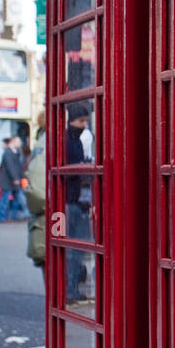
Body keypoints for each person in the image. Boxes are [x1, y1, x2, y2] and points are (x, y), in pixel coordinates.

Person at [24, 112, 47, 348]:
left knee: (56, 301)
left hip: (52, 226)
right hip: (82, 227)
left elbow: (39, 192)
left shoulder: (45, 143)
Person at [65, 103, 93, 305]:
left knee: (79, 250)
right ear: (71, 120)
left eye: (86, 121)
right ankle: (67, 289)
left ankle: (72, 289)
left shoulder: (76, 142)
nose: (84, 125)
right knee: (69, 250)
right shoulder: (65, 141)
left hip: (80, 202)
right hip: (66, 202)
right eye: (81, 121)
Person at [0, 134, 27, 222]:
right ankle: (1, 217)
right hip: (8, 181)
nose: (20, 143)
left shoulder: (15, 152)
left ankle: (13, 216)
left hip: (14, 180)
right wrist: (15, 178)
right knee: (5, 200)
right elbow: (10, 166)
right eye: (18, 142)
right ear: (13, 141)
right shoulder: (8, 153)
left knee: (16, 199)